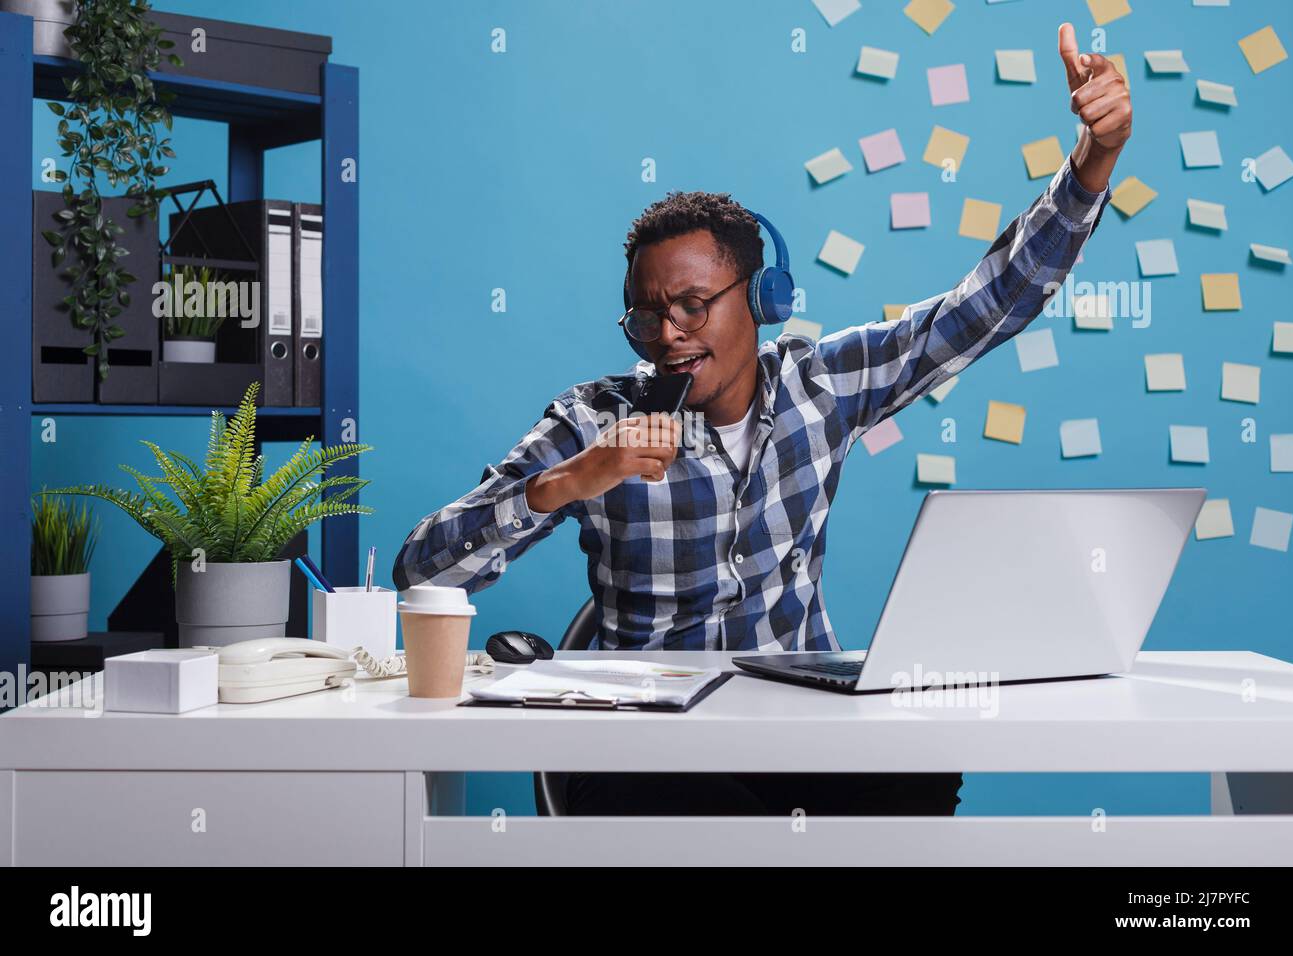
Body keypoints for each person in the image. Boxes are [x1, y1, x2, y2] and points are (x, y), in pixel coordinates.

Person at [394, 23, 1132, 816]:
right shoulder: (594, 420)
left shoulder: (824, 385)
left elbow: (986, 306)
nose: (669, 332)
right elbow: (420, 573)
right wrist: (570, 480)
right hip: (643, 746)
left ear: (763, 302)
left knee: (923, 770)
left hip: (797, 730)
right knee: (713, 819)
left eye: (692, 305)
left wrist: (1093, 163)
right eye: (647, 315)